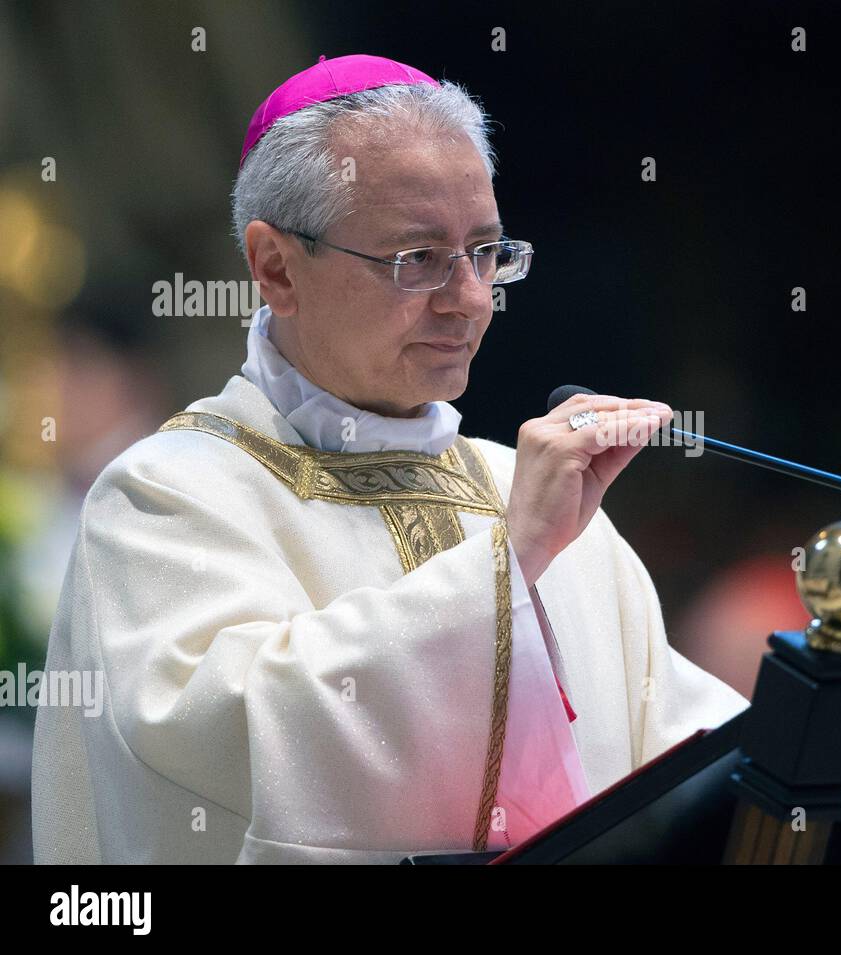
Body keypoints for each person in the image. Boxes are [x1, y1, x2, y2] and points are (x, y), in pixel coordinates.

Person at [31, 54, 748, 864]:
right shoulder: (166, 497)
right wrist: (506, 562)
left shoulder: (528, 491)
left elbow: (696, 771)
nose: (470, 298)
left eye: (486, 251)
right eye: (419, 258)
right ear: (276, 269)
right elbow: (244, 742)